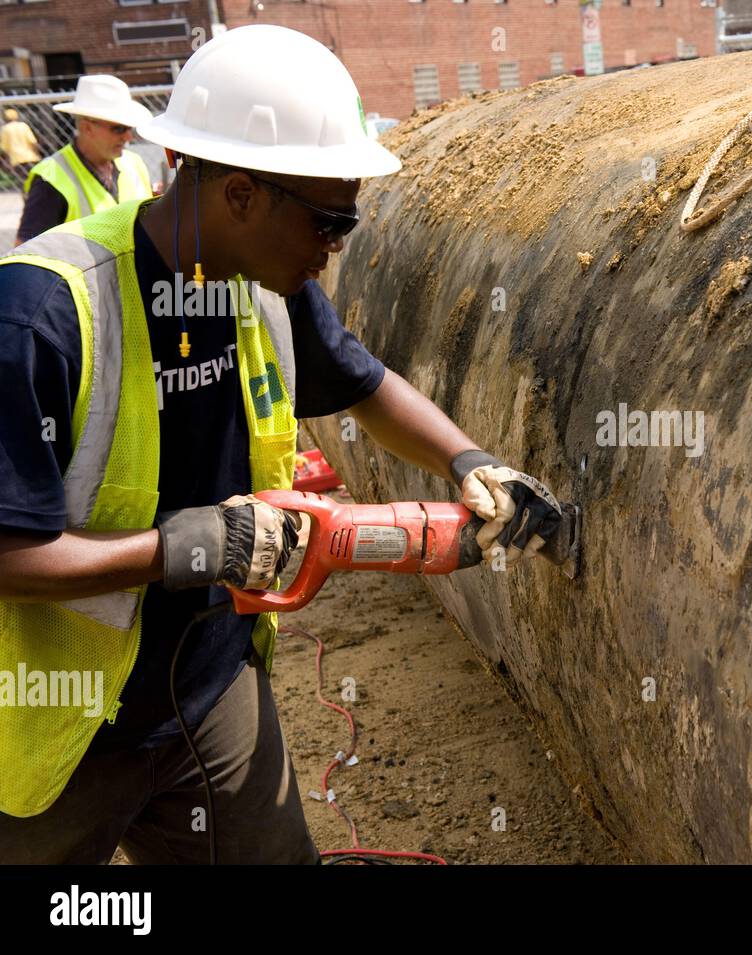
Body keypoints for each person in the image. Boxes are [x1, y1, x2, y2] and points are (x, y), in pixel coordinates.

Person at [0, 24, 563, 863]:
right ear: (240, 195)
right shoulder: (44, 316)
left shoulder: (263, 283)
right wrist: (190, 545)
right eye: (329, 224)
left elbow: (363, 383)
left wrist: (469, 460)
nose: (333, 253)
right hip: (62, 721)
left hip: (211, 688)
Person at [16, 74, 154, 244]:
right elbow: (26, 252)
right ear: (87, 128)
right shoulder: (50, 179)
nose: (128, 137)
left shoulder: (134, 163)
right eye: (119, 128)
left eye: (129, 128)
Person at [1, 107, 40, 187]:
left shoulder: (5, 129)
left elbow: (4, 148)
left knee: (24, 181)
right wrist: (37, 153)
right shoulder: (23, 126)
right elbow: (33, 142)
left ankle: (26, 194)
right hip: (30, 157)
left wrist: (7, 161)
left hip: (16, 159)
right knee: (34, 179)